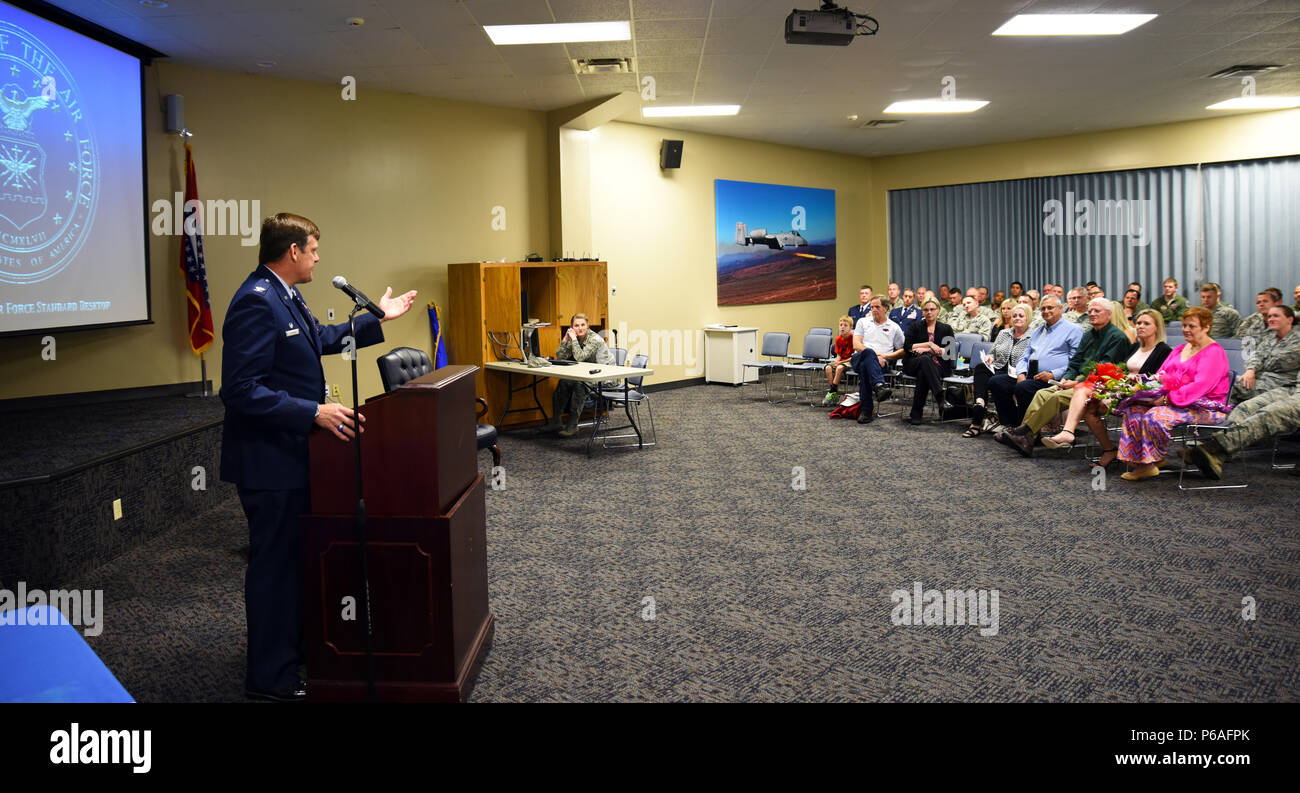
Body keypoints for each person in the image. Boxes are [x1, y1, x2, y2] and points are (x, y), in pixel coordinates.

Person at [221, 213, 418, 701]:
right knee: (274, 571)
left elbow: (323, 339)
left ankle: (293, 653)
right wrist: (312, 410)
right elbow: (240, 391)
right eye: (312, 250)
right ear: (292, 252)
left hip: (293, 458)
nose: (316, 257)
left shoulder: (286, 295)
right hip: (269, 464)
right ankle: (269, 680)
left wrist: (377, 318)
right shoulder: (255, 301)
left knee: (295, 565)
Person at [1000, 298, 1130, 457]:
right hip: (1078, 381)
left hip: (1101, 385)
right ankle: (1026, 438)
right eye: (1090, 311)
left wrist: (1075, 382)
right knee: (1042, 394)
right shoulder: (1089, 335)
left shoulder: (1117, 337)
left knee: (1057, 396)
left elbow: (1104, 370)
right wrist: (1065, 379)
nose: (1092, 314)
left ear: (1109, 314)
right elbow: (1075, 361)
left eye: (1097, 311)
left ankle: (1024, 433)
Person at [1115, 306, 1229, 481]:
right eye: (1184, 325)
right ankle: (1144, 460)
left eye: (1192, 326)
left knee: (1155, 415)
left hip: (1204, 407)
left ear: (1206, 327)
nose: (1186, 330)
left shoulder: (1213, 353)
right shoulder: (1181, 348)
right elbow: (1160, 375)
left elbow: (1200, 387)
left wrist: (1166, 399)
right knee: (1134, 409)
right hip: (1173, 401)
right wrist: (1143, 385)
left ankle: (1147, 464)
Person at [1045, 309, 1172, 465]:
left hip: (1142, 396)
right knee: (1087, 401)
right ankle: (1104, 448)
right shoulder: (1135, 347)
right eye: (1138, 323)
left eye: (1146, 323)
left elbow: (1156, 382)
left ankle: (1070, 433)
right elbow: (1123, 372)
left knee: (1086, 396)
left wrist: (1121, 388)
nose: (1140, 326)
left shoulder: (1164, 350)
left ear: (1157, 327)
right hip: (1123, 390)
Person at [988, 296, 1081, 432]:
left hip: (1055, 379)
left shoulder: (1073, 330)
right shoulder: (1038, 331)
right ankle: (1012, 424)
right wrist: (1021, 373)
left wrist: (1053, 374)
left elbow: (1075, 362)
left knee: (1024, 388)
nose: (1046, 311)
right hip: (1031, 376)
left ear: (1061, 309)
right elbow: (1024, 357)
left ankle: (1028, 430)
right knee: (996, 382)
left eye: (1050, 307)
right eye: (1043, 308)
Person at [1184, 384, 1300, 480]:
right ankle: (1217, 455)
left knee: (1270, 414)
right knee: (1245, 408)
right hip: (1293, 387)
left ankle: (1213, 448)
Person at [539, 313, 615, 436]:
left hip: (606, 377)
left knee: (580, 385)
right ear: (572, 327)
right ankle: (556, 421)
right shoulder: (575, 338)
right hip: (589, 374)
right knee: (564, 382)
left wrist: (573, 339)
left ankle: (572, 425)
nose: (580, 328)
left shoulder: (594, 339)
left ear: (588, 325)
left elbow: (580, 357)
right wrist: (565, 339)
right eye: (576, 325)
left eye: (583, 325)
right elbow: (561, 356)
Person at [964, 304, 1032, 438]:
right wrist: (990, 357)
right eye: (1014, 316)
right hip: (999, 367)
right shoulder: (1004, 333)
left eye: (1021, 316)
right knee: (981, 368)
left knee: (996, 381)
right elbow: (993, 352)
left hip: (1018, 373)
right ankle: (980, 403)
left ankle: (976, 424)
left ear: (1028, 317)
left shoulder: (1033, 336)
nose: (1017, 318)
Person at [851, 296, 903, 423]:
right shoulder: (863, 322)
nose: (874, 309)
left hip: (881, 363)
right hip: (859, 358)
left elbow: (903, 350)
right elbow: (856, 345)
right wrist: (876, 355)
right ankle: (879, 385)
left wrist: (884, 356)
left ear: (885, 308)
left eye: (877, 307)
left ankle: (867, 411)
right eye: (872, 307)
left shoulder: (894, 327)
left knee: (865, 368)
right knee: (868, 352)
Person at [902, 298, 954, 425]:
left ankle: (916, 413)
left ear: (938, 310)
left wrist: (923, 349)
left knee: (923, 373)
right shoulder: (915, 326)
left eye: (932, 309)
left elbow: (950, 352)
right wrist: (929, 345)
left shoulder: (946, 328)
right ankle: (940, 397)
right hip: (913, 363)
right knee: (924, 360)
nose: (929, 312)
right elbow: (907, 347)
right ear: (922, 311)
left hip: (939, 365)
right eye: (926, 310)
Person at [1232, 305, 1298, 402]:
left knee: (1229, 385)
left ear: (1290, 320)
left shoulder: (1296, 340)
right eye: (1269, 316)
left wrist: (1257, 367)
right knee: (1225, 381)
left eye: (1276, 316)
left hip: (1279, 386)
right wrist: (1251, 370)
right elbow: (1256, 355)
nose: (1271, 319)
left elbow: (1276, 363)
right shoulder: (1270, 338)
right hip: (1259, 380)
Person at [822, 316, 856, 405]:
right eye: (841, 325)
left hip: (851, 360)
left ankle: (832, 391)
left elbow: (853, 357)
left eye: (845, 325)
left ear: (851, 328)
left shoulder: (853, 338)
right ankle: (834, 393)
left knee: (839, 368)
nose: (842, 327)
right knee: (828, 368)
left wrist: (839, 363)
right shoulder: (838, 338)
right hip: (842, 360)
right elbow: (839, 355)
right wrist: (836, 362)